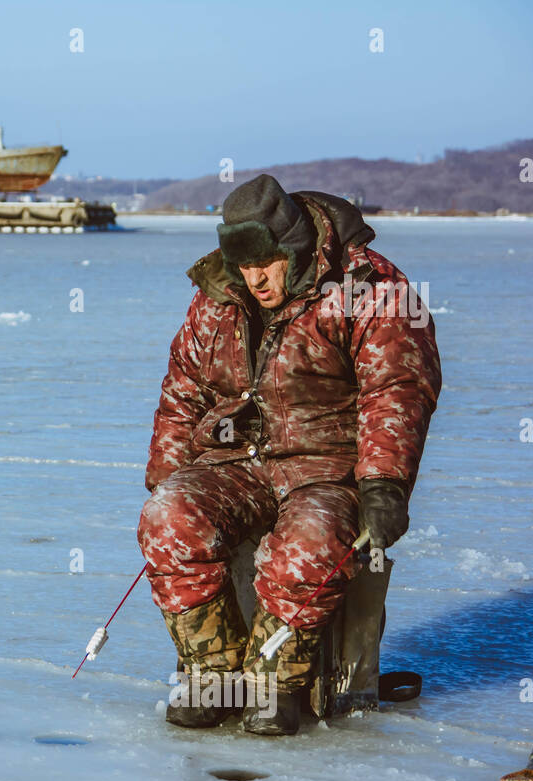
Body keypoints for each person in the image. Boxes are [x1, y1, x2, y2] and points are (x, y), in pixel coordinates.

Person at [136, 174, 441, 736]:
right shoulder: (217, 295)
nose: (254, 280)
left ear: (293, 246)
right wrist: (168, 476)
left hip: (327, 467)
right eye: (244, 267)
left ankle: (273, 686)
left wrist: (384, 484)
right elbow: (183, 387)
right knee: (169, 519)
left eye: (266, 264)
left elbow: (396, 387)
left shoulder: (366, 286)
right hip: (235, 464)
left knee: (309, 545)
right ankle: (214, 676)